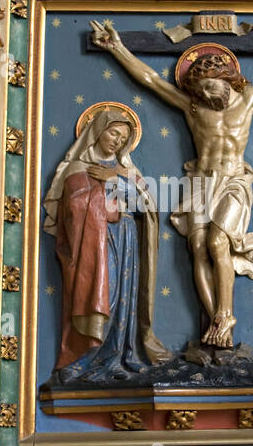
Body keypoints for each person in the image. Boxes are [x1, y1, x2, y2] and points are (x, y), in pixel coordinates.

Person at [90, 20, 253, 349]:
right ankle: (218, 324)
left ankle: (226, 315)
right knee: (197, 247)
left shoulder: (249, 97)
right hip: (200, 181)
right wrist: (117, 48)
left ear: (225, 78)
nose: (205, 94)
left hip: (233, 180)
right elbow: (151, 80)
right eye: (199, 90)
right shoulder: (193, 106)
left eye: (210, 87)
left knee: (216, 243)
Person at [43, 105, 170, 380]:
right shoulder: (78, 167)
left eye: (123, 139)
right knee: (104, 293)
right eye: (113, 134)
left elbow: (146, 206)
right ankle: (85, 360)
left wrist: (116, 180)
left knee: (123, 298)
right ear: (99, 131)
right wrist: (104, 200)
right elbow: (74, 208)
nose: (117, 141)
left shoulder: (126, 170)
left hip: (125, 238)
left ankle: (116, 357)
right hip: (93, 241)